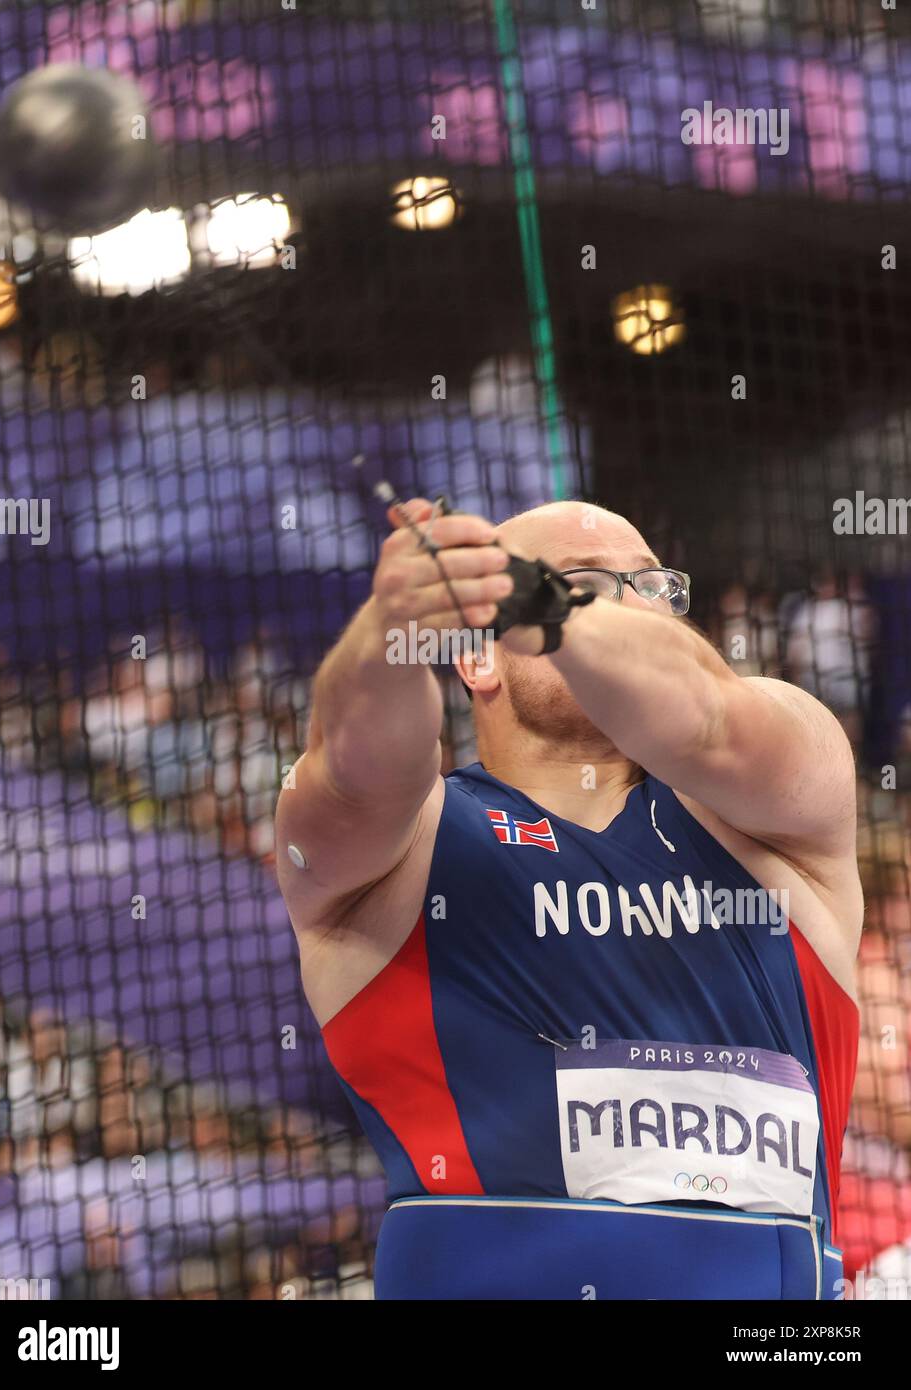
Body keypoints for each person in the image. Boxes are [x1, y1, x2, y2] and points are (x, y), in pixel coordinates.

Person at [275, 497, 862, 1300]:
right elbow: (357, 768)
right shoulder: (408, 849)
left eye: (649, 585)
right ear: (475, 656)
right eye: (582, 580)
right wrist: (392, 629)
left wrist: (547, 605)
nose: (621, 605)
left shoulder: (777, 808)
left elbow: (704, 717)